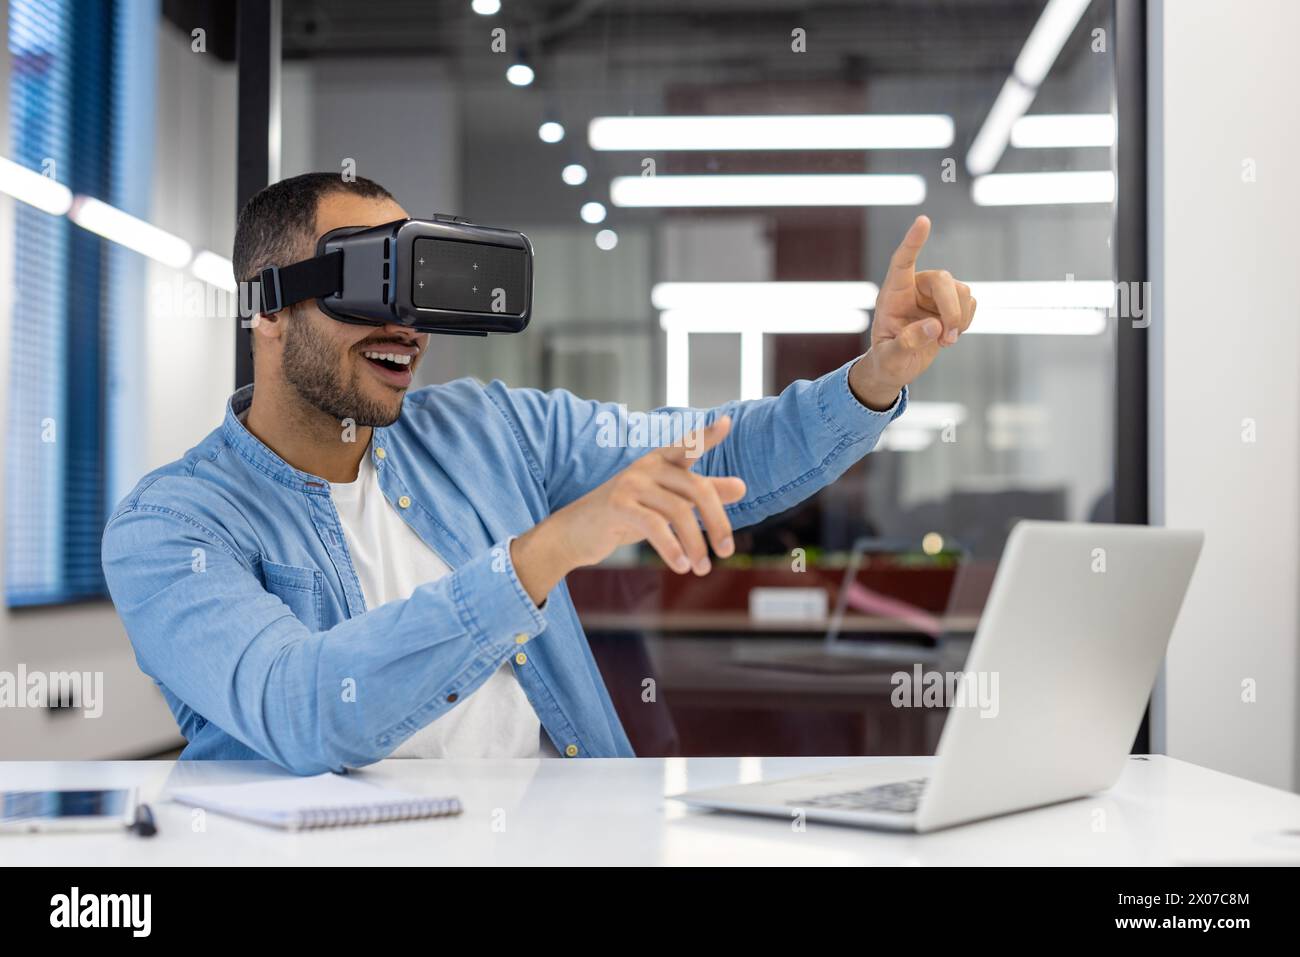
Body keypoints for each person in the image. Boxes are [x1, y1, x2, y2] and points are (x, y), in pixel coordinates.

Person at [101, 172, 976, 774]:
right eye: (370, 282)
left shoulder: (490, 428)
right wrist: (540, 554)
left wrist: (871, 378)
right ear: (266, 303)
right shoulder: (173, 529)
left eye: (419, 287)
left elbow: (718, 449)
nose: (407, 325)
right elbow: (300, 705)